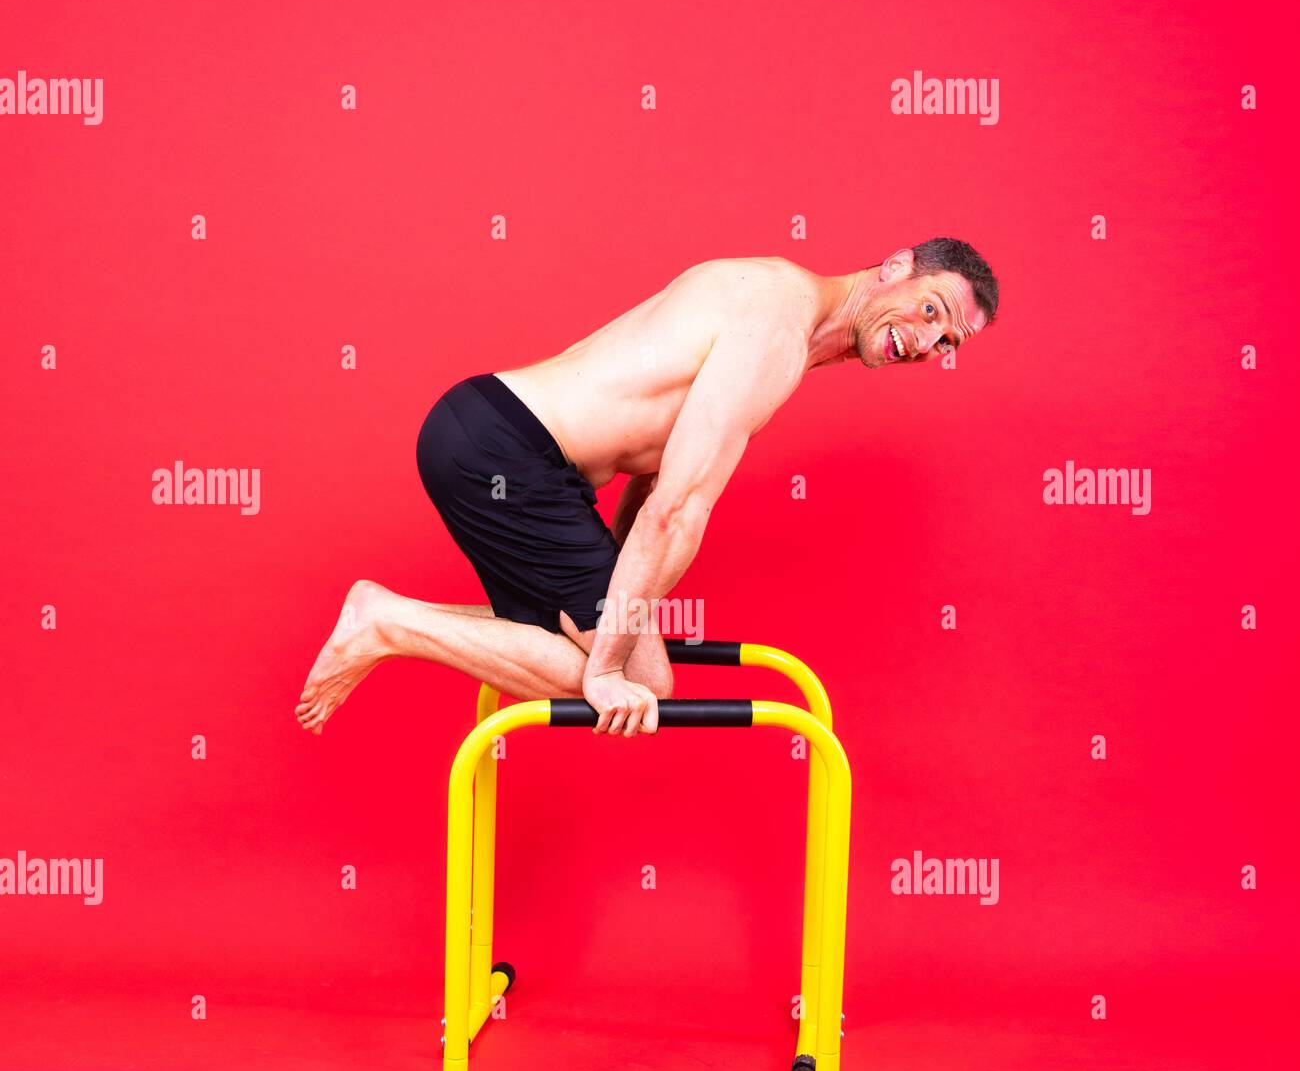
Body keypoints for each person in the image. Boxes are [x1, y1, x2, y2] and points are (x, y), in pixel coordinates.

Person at [296, 240, 998, 739]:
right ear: (897, 266)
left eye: (948, 342)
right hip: (507, 449)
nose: (928, 341)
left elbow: (654, 471)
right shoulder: (777, 324)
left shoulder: (788, 316)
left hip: (496, 436)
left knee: (564, 640)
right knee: (645, 685)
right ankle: (385, 620)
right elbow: (677, 509)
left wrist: (612, 607)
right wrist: (607, 668)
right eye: (930, 310)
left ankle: (387, 621)